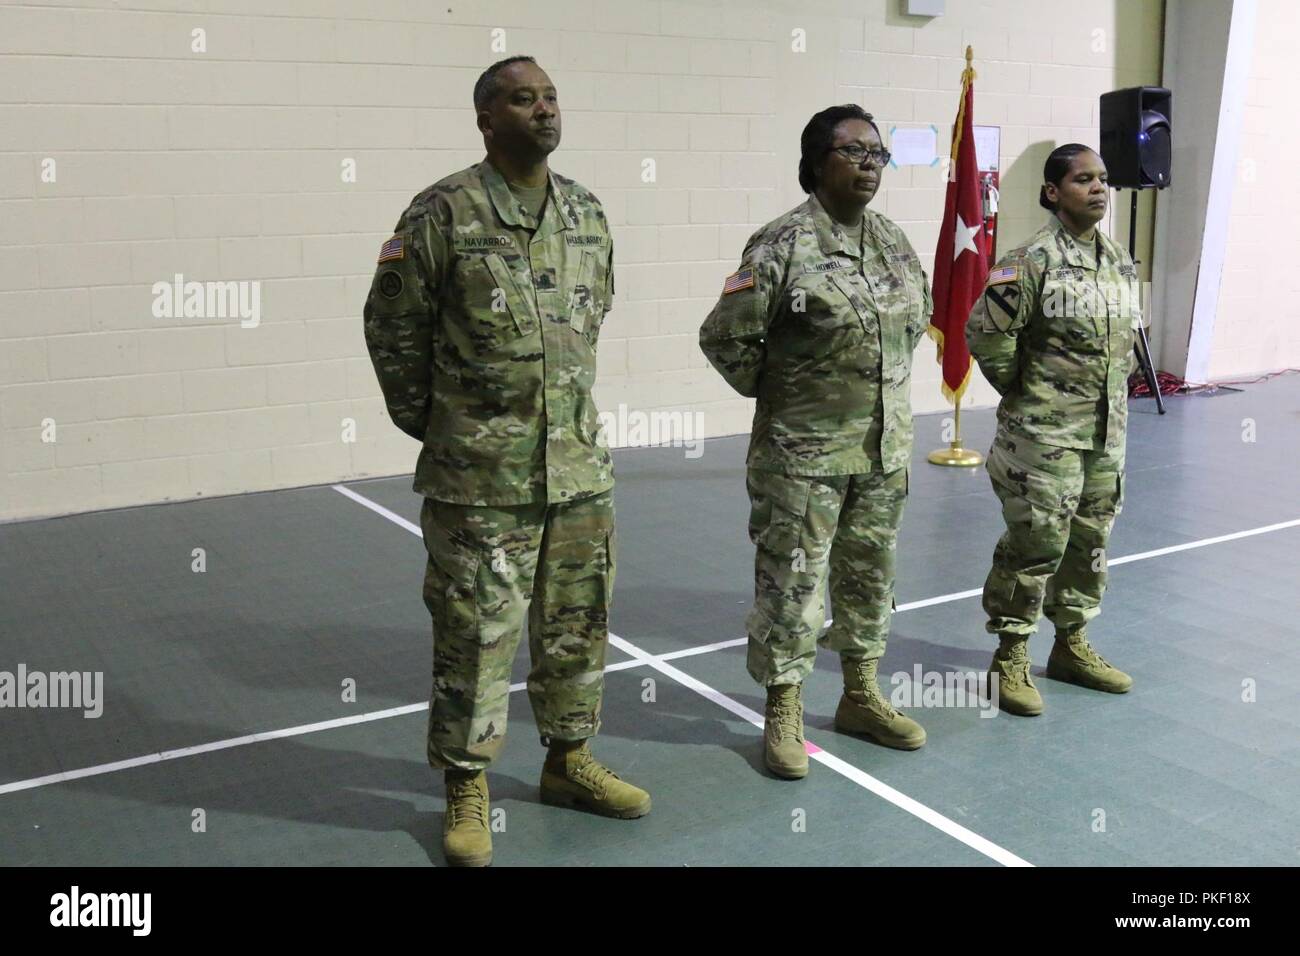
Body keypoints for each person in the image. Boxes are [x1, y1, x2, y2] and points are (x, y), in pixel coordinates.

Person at [362, 55, 649, 867]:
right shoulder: (442, 212)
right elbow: (392, 331)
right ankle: (465, 783)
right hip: (479, 479)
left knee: (577, 624)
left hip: (578, 469)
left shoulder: (588, 213)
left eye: (552, 96)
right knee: (475, 635)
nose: (545, 111)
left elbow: (591, 325)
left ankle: (569, 761)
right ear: (487, 119)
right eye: (524, 100)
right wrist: (450, 429)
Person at [699, 105, 933, 780]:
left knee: (869, 579)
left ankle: (860, 695)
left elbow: (913, 320)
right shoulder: (782, 245)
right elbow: (726, 337)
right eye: (853, 152)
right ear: (815, 162)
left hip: (882, 452)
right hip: (803, 458)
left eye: (878, 155)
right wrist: (789, 395)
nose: (868, 165)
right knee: (793, 587)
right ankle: (784, 710)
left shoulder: (893, 241)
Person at [966, 143, 1140, 717]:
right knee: (1035, 544)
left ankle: (1070, 645)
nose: (1098, 188)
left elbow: (1124, 344)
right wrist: (1025, 392)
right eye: (1083, 179)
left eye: (1103, 179)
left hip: (1102, 436)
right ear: (1052, 192)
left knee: (1089, 543)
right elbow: (986, 334)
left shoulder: (1117, 259)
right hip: (1042, 437)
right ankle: (1010, 657)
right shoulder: (1029, 260)